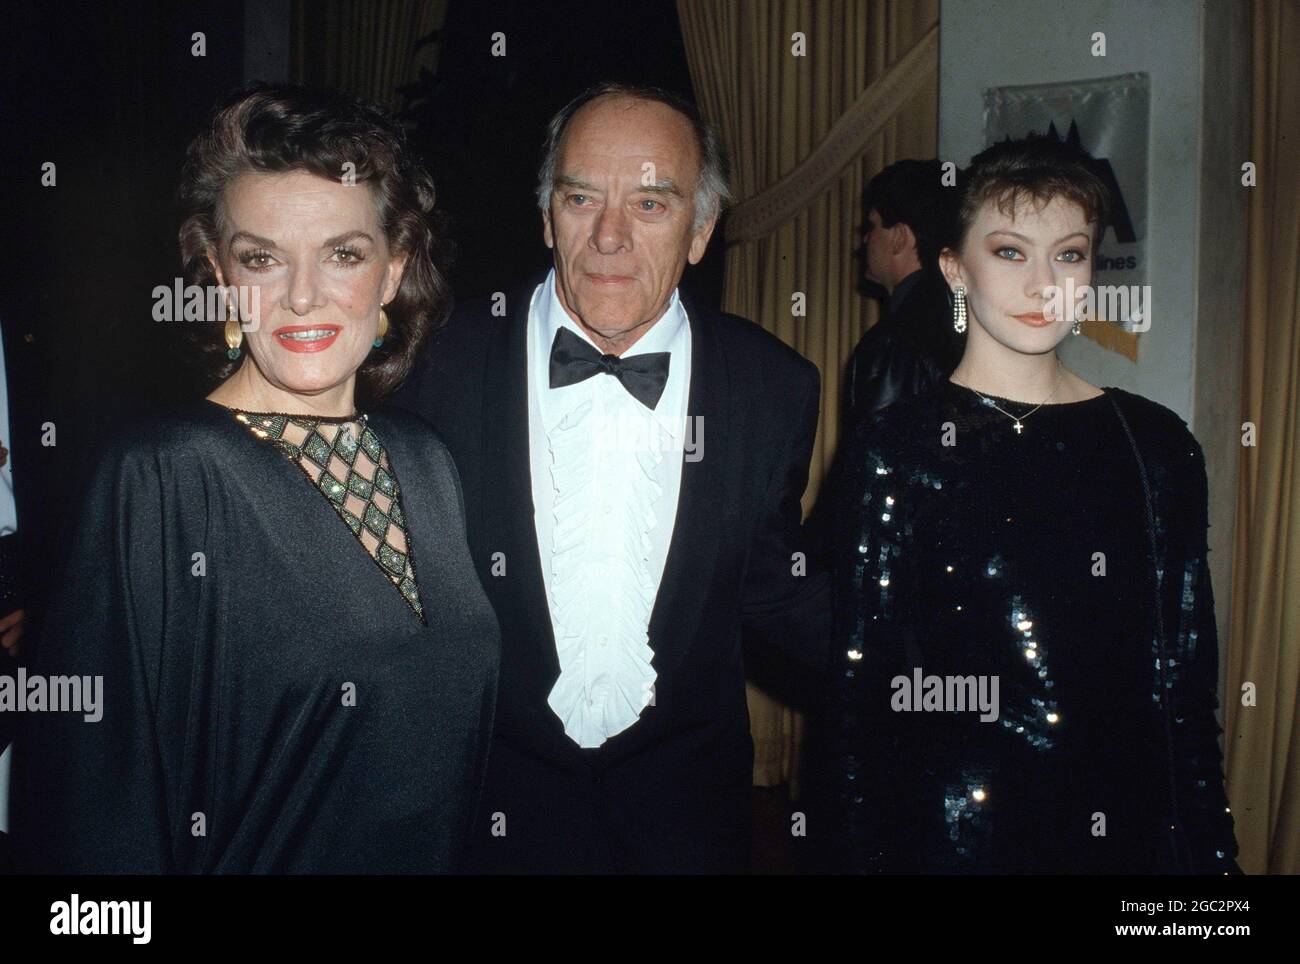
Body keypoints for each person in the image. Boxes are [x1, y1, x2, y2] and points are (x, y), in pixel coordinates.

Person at [12, 83, 500, 873]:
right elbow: (89, 814)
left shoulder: (424, 461)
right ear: (216, 274)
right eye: (262, 258)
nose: (303, 295)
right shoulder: (164, 475)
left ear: (393, 270)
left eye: (344, 253)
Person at [393, 82, 830, 873]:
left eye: (652, 205)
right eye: (581, 198)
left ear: (701, 230)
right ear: (546, 216)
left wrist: (931, 652)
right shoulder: (436, 365)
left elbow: (772, 587)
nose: (608, 238)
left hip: (685, 828)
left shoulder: (773, 385)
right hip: (486, 822)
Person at [827, 135, 1239, 873]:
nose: (1044, 283)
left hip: (1131, 840)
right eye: (1011, 252)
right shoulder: (896, 450)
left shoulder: (1156, 444)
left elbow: (1183, 688)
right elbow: (864, 705)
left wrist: (1211, 881)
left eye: (1070, 254)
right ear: (955, 268)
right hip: (955, 842)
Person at [844, 159, 965, 426]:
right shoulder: (970, 322)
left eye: (872, 226)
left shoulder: (894, 341)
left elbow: (877, 456)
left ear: (899, 236)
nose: (864, 241)